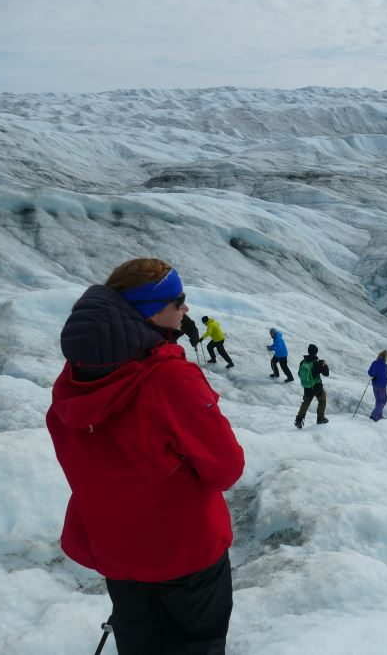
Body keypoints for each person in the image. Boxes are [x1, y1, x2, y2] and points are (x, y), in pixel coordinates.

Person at [46, 258, 245, 655]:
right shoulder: (168, 379)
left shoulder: (76, 379)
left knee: (139, 643)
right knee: (196, 644)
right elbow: (225, 468)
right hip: (184, 551)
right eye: (179, 301)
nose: (185, 309)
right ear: (150, 311)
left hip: (117, 548)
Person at [295, 344, 329, 429]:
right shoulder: (316, 363)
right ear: (316, 352)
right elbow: (326, 374)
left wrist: (308, 381)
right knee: (322, 400)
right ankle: (320, 418)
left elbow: (299, 374)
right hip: (317, 386)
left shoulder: (303, 362)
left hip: (307, 386)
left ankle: (299, 420)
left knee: (306, 402)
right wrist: (325, 365)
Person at [367, 350, 387, 421]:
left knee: (378, 401)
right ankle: (374, 416)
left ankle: (379, 416)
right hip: (381, 386)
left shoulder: (374, 362)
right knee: (383, 401)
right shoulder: (384, 365)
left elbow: (369, 372)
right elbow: (384, 377)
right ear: (385, 356)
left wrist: (374, 376)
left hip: (374, 385)